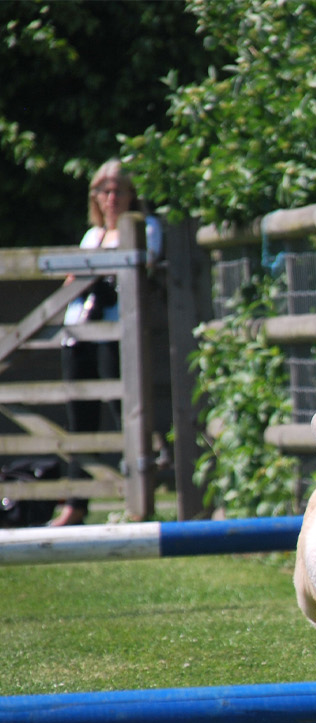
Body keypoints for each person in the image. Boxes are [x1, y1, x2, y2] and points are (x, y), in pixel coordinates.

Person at [50, 159, 163, 527]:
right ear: (95, 196)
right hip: (80, 332)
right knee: (79, 421)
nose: (112, 197)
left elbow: (144, 273)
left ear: (131, 195)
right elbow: (71, 285)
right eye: (105, 190)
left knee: (125, 413)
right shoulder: (90, 237)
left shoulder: (146, 228)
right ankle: (75, 503)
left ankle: (138, 496)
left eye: (119, 190)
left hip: (118, 336)